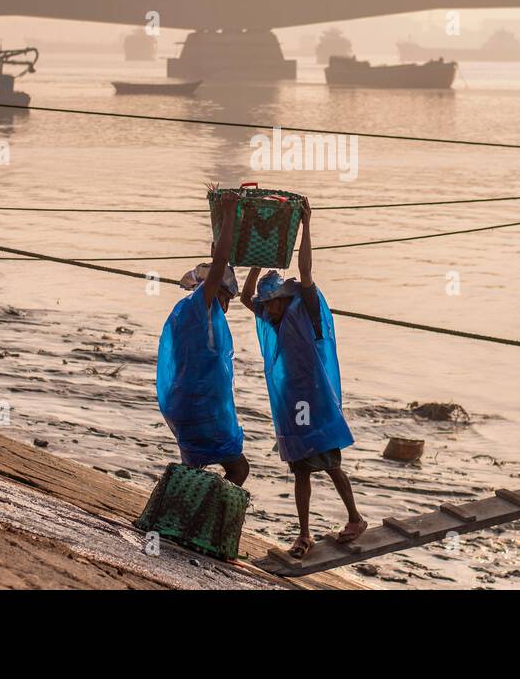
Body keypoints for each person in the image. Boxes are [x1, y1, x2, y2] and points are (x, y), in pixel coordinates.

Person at [241, 198, 365, 557]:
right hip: (293, 403)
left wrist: (306, 227)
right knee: (300, 470)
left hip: (317, 399)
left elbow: (306, 270)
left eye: (273, 302)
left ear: (283, 299)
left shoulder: (305, 308)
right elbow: (248, 297)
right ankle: (304, 534)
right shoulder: (273, 320)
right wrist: (258, 261)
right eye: (267, 305)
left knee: (329, 462)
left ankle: (355, 517)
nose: (267, 308)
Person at [155, 193, 250, 486]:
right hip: (203, 407)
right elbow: (220, 261)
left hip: (183, 404)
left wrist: (222, 233)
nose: (228, 304)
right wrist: (232, 213)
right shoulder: (202, 305)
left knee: (194, 469)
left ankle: (182, 516)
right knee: (238, 470)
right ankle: (208, 516)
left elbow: (218, 258)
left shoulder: (187, 310)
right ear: (217, 292)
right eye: (227, 296)